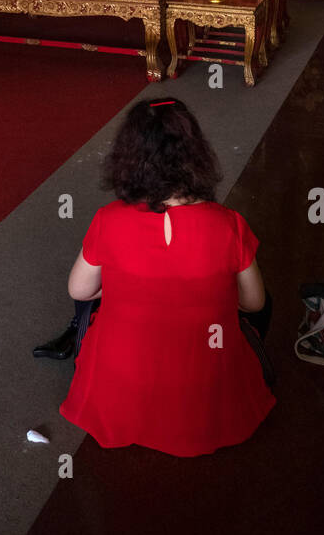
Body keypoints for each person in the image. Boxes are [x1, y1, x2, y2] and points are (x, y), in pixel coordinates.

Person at [57, 98, 275, 457]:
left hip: (121, 389)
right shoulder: (229, 224)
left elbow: (79, 290)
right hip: (206, 391)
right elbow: (255, 303)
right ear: (197, 155)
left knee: (89, 304)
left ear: (127, 158)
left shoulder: (108, 220)